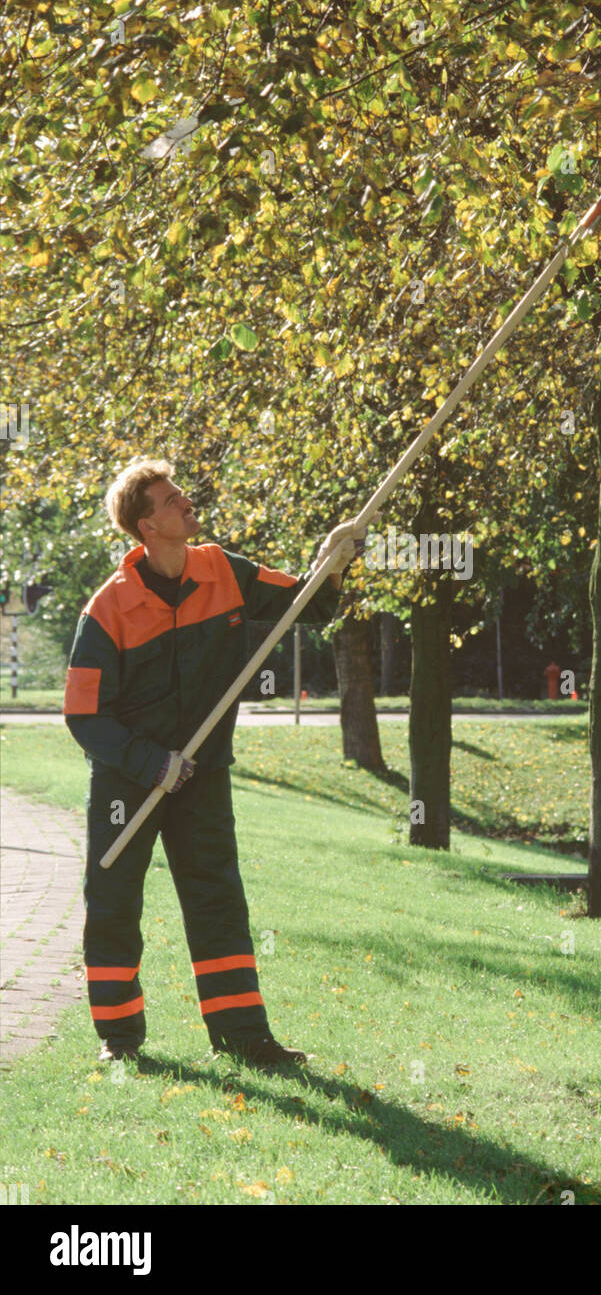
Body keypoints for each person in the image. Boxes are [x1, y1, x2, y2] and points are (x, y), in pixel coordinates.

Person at [63, 456, 366, 1071]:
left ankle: (244, 1040)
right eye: (171, 500)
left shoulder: (221, 569)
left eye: (181, 494)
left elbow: (307, 605)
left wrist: (333, 561)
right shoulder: (108, 608)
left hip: (203, 773)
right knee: (115, 899)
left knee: (217, 899)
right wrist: (151, 763)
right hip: (128, 779)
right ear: (146, 526)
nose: (186, 502)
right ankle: (119, 1042)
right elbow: (82, 713)